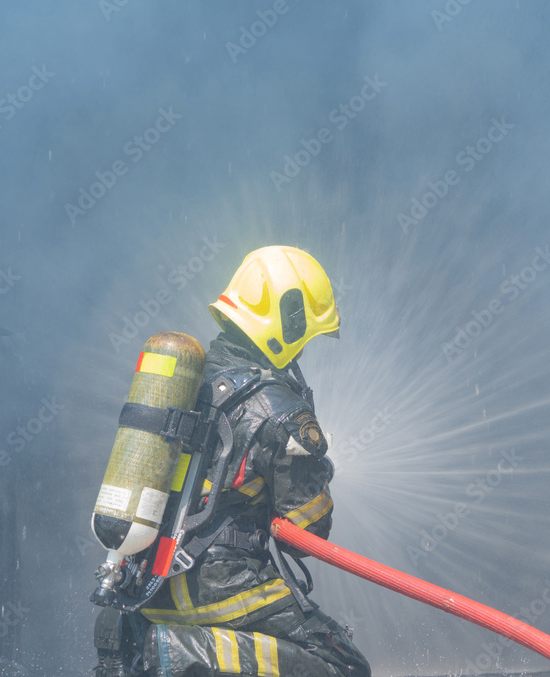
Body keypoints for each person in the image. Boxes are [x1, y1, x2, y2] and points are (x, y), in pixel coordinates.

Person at [96, 246, 371, 677]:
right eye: (305, 336)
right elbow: (308, 529)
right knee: (339, 664)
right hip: (221, 585)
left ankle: (155, 645)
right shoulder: (277, 407)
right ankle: (176, 652)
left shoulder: (192, 382)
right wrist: (319, 466)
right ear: (289, 321)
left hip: (149, 585)